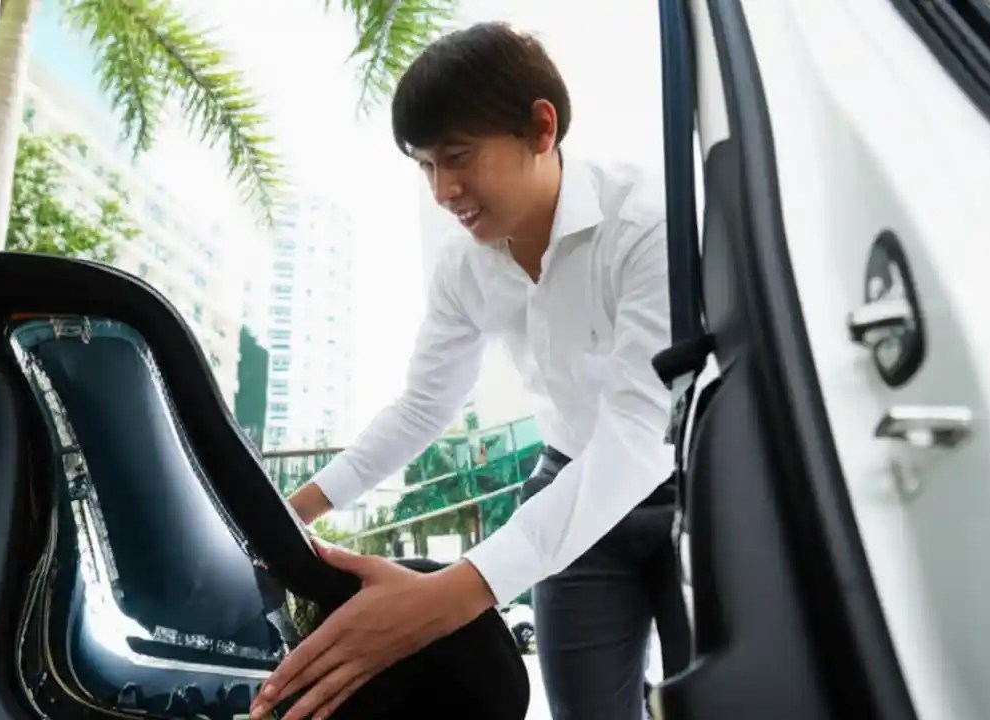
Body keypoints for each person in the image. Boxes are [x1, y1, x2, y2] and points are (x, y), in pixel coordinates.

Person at [250, 21, 689, 720]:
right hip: (567, 478)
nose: (443, 189)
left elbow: (641, 431)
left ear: (540, 128)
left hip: (685, 486)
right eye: (425, 165)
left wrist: (455, 593)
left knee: (715, 695)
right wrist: (286, 514)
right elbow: (425, 406)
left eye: (458, 157)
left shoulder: (645, 224)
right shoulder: (464, 263)